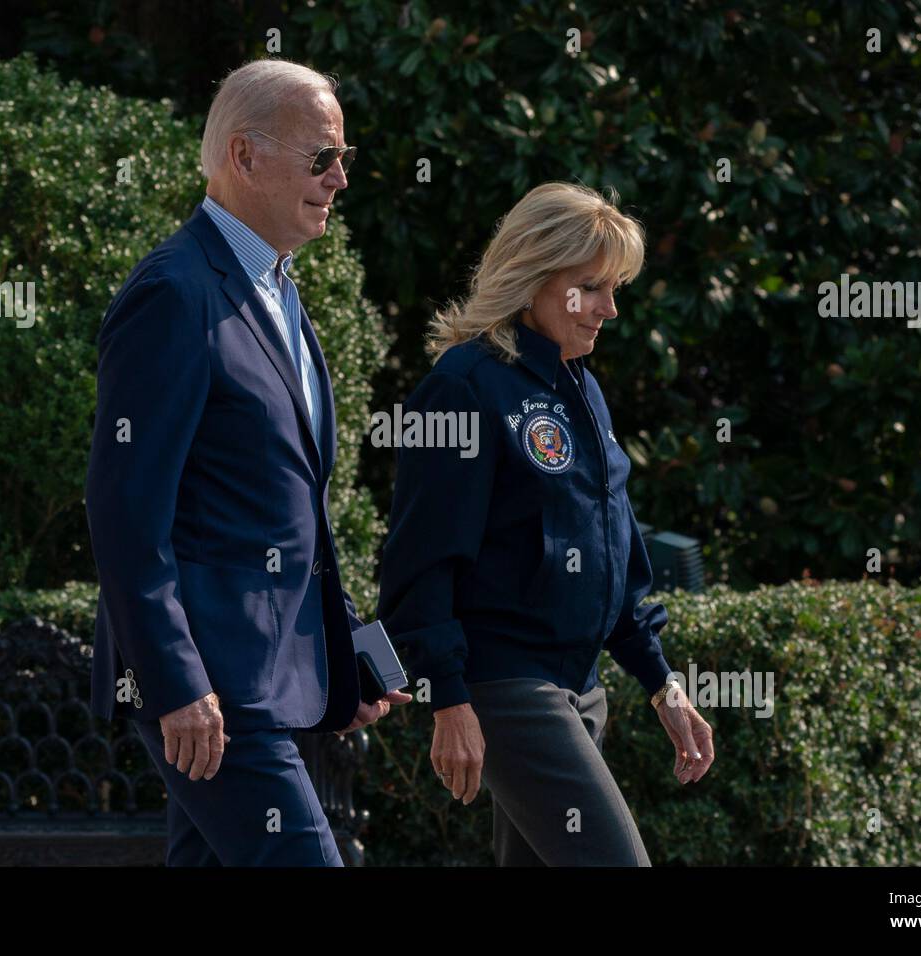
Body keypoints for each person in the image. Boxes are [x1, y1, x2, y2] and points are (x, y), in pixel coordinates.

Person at [85, 57, 409, 867]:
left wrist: (345, 660)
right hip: (216, 690)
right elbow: (126, 514)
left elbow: (285, 512)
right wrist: (175, 684)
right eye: (321, 159)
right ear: (244, 156)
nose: (339, 180)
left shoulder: (279, 288)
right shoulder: (174, 293)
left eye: (345, 160)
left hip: (265, 685)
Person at [377, 181, 714, 866]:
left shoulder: (580, 386)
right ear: (534, 272)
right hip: (508, 690)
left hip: (583, 692)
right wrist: (447, 697)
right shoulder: (463, 384)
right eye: (591, 287)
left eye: (614, 289)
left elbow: (614, 560)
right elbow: (421, 560)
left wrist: (662, 683)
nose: (609, 310)